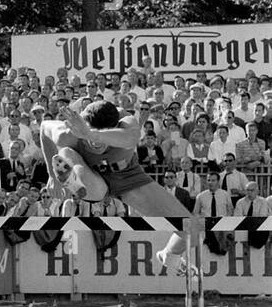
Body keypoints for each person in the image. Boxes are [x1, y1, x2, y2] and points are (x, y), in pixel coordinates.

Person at [43, 101, 195, 275]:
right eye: (90, 142)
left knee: (192, 230)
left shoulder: (126, 123)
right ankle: (72, 178)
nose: (96, 146)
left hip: (129, 177)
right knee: (70, 157)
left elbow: (131, 137)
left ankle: (169, 255)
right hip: (91, 176)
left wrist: (91, 134)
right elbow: (43, 128)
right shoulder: (68, 133)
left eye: (100, 140)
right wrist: (52, 176)